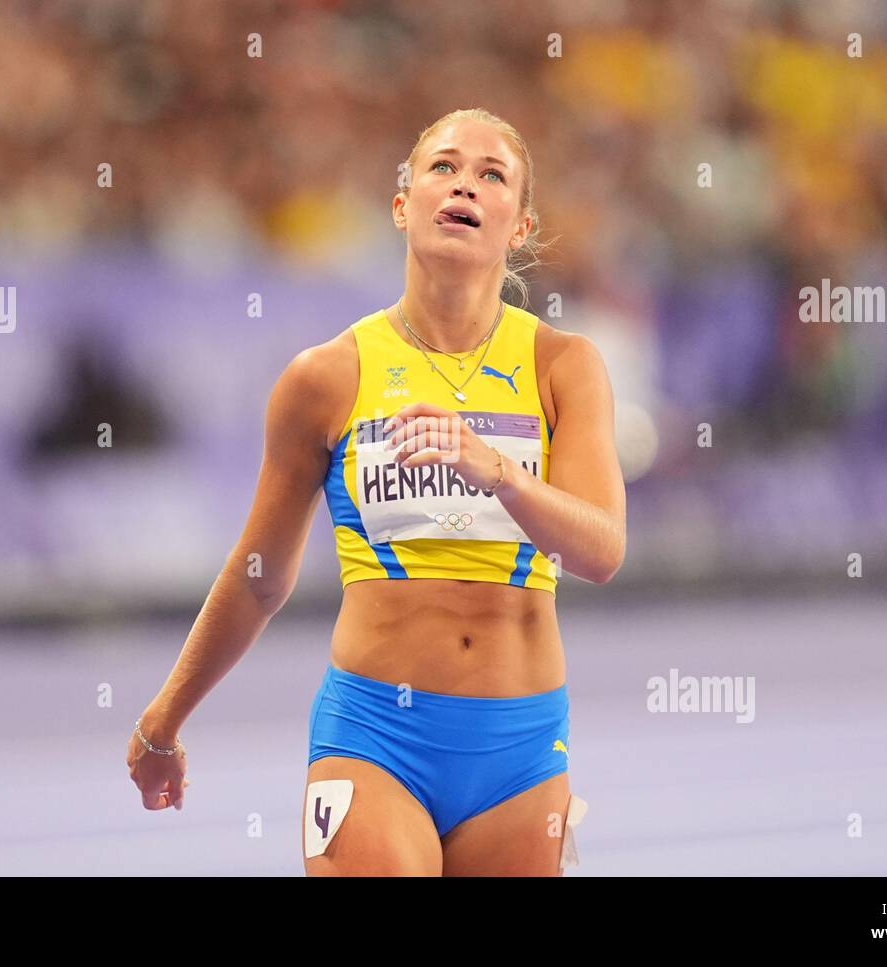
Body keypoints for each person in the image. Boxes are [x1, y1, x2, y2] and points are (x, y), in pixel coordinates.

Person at [127, 107, 626, 875]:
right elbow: (259, 577)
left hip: (521, 751)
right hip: (376, 740)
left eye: (491, 175)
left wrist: (499, 472)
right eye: (444, 167)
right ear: (403, 206)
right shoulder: (326, 378)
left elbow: (601, 549)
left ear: (518, 226)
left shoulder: (565, 366)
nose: (465, 183)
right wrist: (165, 718)